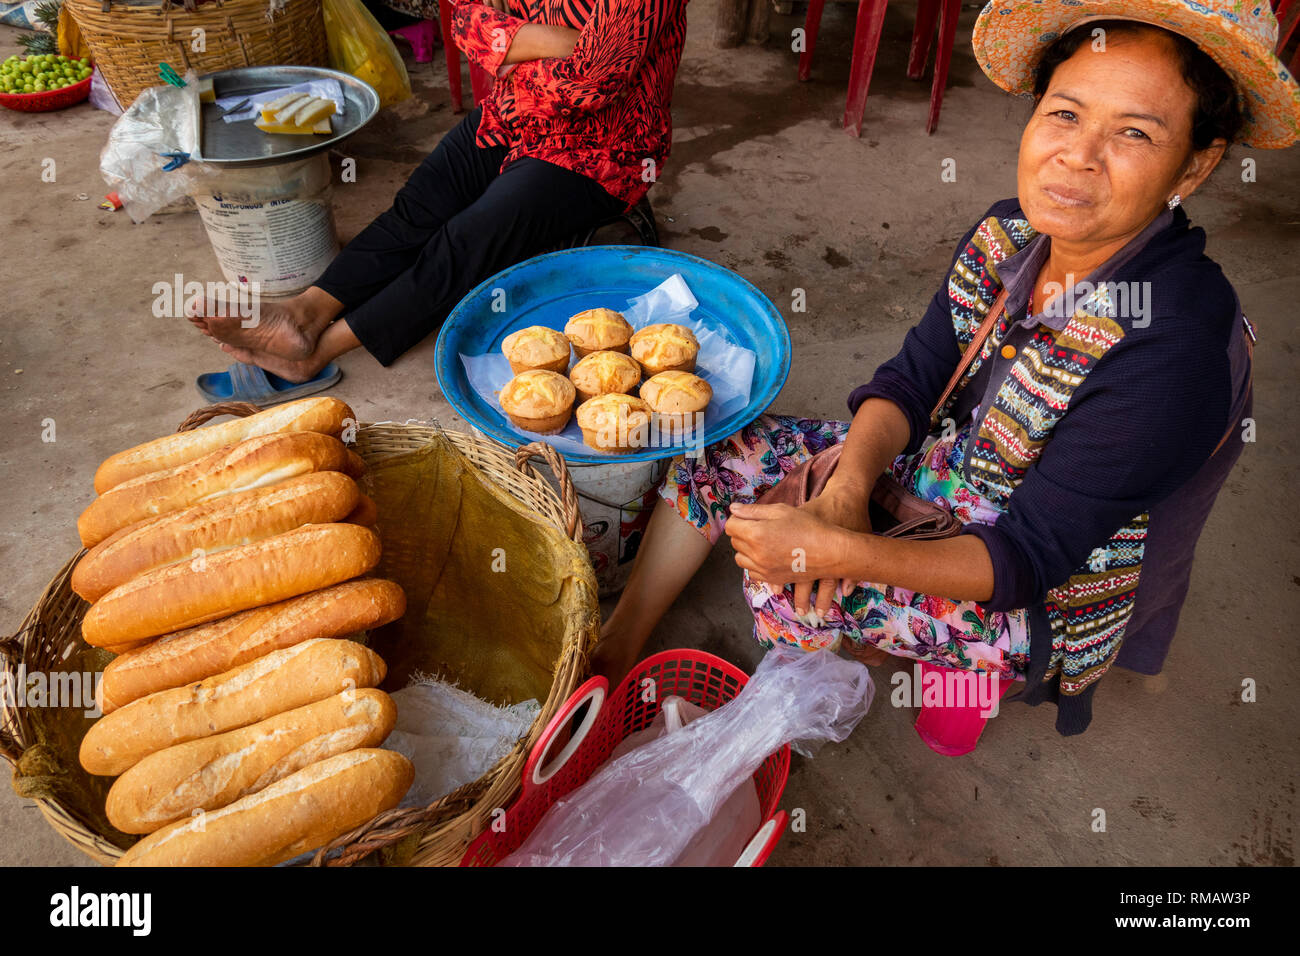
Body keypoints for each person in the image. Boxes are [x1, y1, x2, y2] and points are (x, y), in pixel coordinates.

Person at [593, 0, 1299, 741]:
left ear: (1197, 161)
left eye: (1133, 133)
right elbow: (910, 382)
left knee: (792, 584)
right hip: (957, 472)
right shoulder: (1010, 236)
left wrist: (837, 547)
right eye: (1064, 114)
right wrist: (845, 496)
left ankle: (781, 730)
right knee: (712, 448)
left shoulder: (1172, 347)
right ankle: (617, 648)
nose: (1079, 155)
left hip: (1042, 588)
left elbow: (1028, 558)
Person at [190, 0, 689, 383]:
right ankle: (305, 310)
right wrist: (557, 41)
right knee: (418, 206)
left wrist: (513, 45)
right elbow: (464, 16)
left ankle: (319, 351)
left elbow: (592, 80)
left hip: (605, 149)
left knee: (468, 236)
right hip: (516, 113)